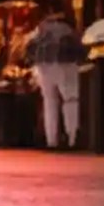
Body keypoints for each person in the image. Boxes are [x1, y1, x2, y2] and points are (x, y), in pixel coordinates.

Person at [26, 9, 83, 149]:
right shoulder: (68, 30)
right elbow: (80, 49)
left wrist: (36, 60)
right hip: (66, 65)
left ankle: (51, 140)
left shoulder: (40, 29)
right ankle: (72, 137)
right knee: (70, 100)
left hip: (44, 66)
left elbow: (29, 47)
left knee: (49, 102)